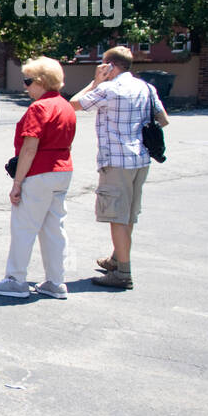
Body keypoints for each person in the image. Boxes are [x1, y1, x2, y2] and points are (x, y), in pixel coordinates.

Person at [70, 45, 169, 289]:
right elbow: (163, 119)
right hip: (141, 159)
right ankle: (117, 258)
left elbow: (74, 104)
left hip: (116, 160)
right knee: (128, 215)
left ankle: (123, 273)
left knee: (116, 216)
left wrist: (95, 81)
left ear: (111, 66)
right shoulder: (146, 87)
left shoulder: (108, 89)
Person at [0, 57, 77, 299]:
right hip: (62, 170)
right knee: (54, 228)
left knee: (24, 227)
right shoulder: (65, 105)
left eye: (28, 81)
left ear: (42, 81)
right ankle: (56, 281)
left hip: (40, 172)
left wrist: (17, 183)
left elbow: (29, 148)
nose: (25, 86)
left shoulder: (40, 108)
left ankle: (16, 279)